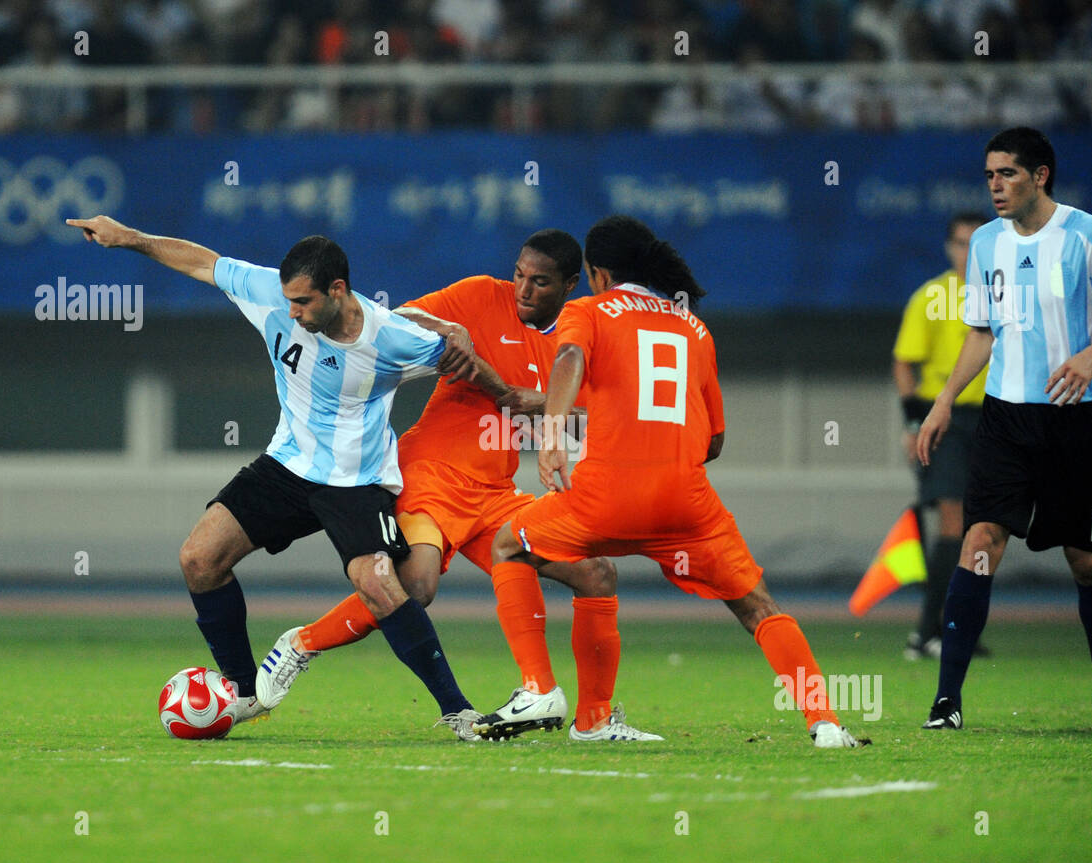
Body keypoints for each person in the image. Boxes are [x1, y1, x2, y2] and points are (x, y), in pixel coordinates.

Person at [64, 214, 488, 740]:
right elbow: (202, 261)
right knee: (199, 559)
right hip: (286, 466)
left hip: (356, 479)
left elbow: (464, 362)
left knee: (377, 584)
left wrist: (495, 376)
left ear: (337, 291)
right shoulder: (271, 293)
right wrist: (130, 238)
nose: (292, 311)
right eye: (288, 300)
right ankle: (243, 694)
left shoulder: (390, 338)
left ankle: (459, 712)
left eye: (304, 302)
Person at [490, 214, 864, 748]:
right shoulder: (694, 326)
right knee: (759, 605)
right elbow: (714, 441)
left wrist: (552, 432)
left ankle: (548, 694)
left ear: (597, 274)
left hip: (601, 500)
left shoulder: (588, 311)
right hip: (685, 506)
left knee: (507, 545)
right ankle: (825, 723)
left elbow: (570, 355)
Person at [264, 230, 637, 741]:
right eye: (519, 275)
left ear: (571, 285)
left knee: (595, 572)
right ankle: (301, 643)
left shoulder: (579, 337)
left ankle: (591, 719)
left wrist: (546, 404)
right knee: (416, 586)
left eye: (540, 282)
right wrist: (447, 326)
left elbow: (597, 415)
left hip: (494, 493)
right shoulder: (483, 294)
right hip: (430, 473)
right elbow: (388, 321)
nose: (523, 289)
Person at [916, 127, 1092, 731]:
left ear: (1040, 176)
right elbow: (982, 330)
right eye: (989, 176)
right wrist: (945, 399)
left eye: (1007, 174)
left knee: (1088, 563)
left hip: (1077, 424)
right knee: (979, 547)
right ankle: (946, 703)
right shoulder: (984, 243)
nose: (995, 186)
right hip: (1004, 419)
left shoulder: (1088, 234)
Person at [893, 211, 989, 660]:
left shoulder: (1003, 292)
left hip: (995, 421)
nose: (966, 253)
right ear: (948, 247)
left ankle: (957, 629)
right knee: (953, 523)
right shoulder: (931, 296)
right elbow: (904, 362)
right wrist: (915, 425)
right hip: (946, 421)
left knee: (981, 530)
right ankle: (927, 632)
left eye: (975, 243)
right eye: (959, 243)